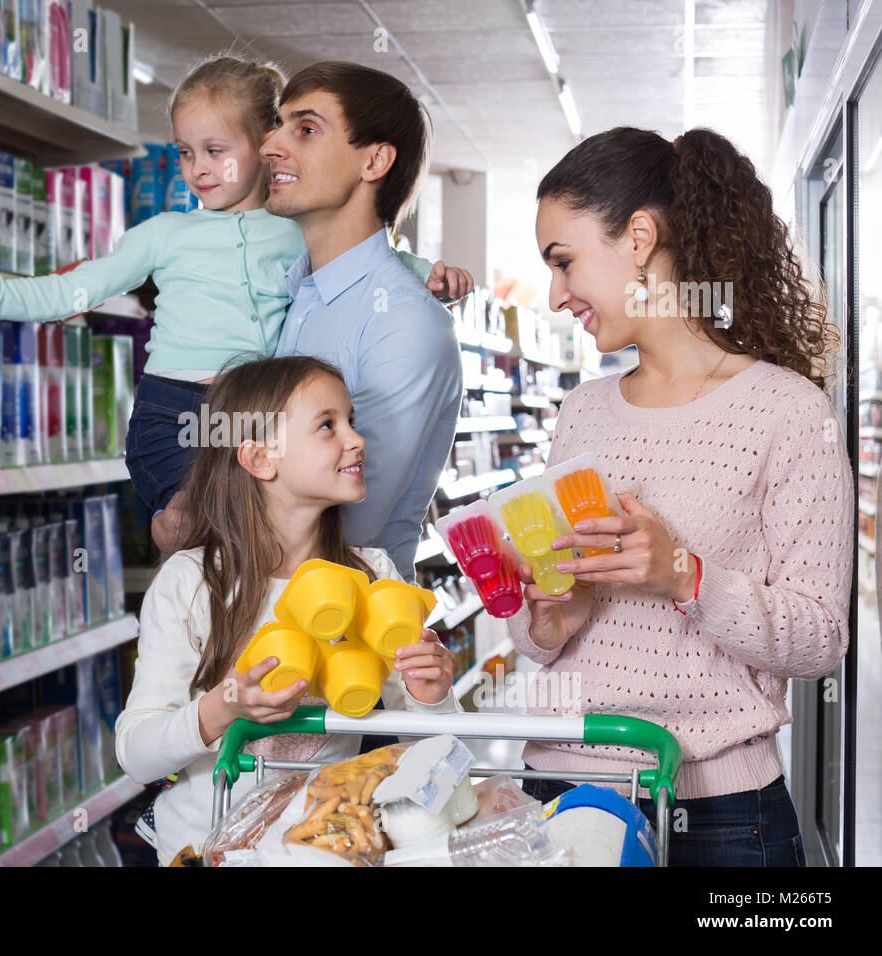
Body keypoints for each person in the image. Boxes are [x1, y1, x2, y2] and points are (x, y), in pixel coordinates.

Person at [0, 54, 471, 553]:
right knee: (190, 526)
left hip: (312, 550)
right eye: (185, 153)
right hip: (175, 408)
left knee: (212, 533)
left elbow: (355, 514)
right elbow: (71, 289)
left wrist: (431, 273)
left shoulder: (375, 301)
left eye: (303, 130)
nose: (198, 169)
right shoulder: (211, 248)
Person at [513, 126, 851, 866]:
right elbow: (537, 637)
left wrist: (685, 578)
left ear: (638, 238)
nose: (556, 295)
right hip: (561, 789)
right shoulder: (583, 411)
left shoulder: (787, 411)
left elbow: (821, 638)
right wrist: (548, 617)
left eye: (564, 262)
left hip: (718, 817)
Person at [115, 355, 458, 865]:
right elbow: (136, 755)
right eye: (327, 425)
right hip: (206, 850)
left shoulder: (374, 576)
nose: (356, 439)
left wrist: (431, 697)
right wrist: (224, 707)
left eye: (351, 421)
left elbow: (435, 751)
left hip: (323, 850)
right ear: (258, 459)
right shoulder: (192, 582)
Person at [261, 61, 464, 582]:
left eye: (304, 129)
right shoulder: (291, 295)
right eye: (278, 125)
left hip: (351, 636)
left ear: (374, 160)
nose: (269, 145)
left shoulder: (405, 320)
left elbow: (352, 518)